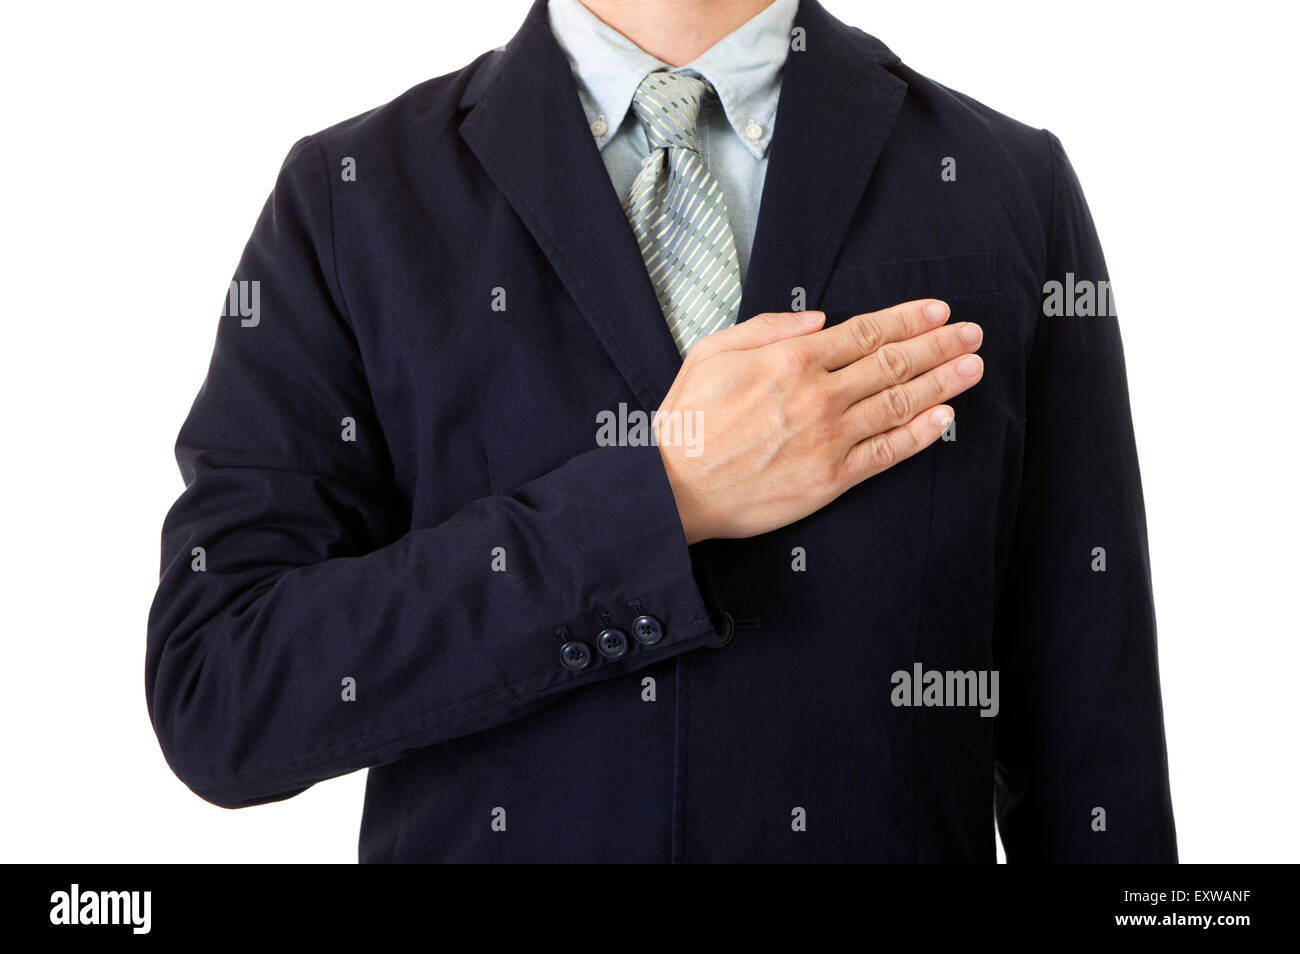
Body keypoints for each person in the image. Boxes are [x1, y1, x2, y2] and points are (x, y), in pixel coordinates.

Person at [146, 0, 1178, 862]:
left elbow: (1096, 757)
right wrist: (658, 498)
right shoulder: (353, 201)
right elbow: (223, 693)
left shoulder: (1003, 184)